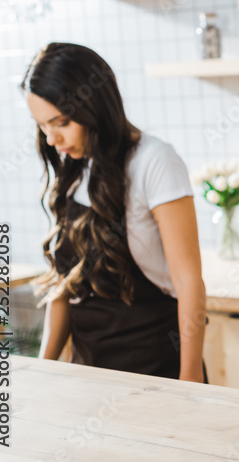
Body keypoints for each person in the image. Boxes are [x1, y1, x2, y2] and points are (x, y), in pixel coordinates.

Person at [23, 42, 207, 382]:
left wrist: (191, 382)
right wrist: (41, 371)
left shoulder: (154, 160)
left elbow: (189, 282)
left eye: (60, 122)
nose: (51, 139)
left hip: (156, 370)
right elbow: (66, 287)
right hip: (89, 378)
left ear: (93, 106)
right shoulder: (74, 166)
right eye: (43, 126)